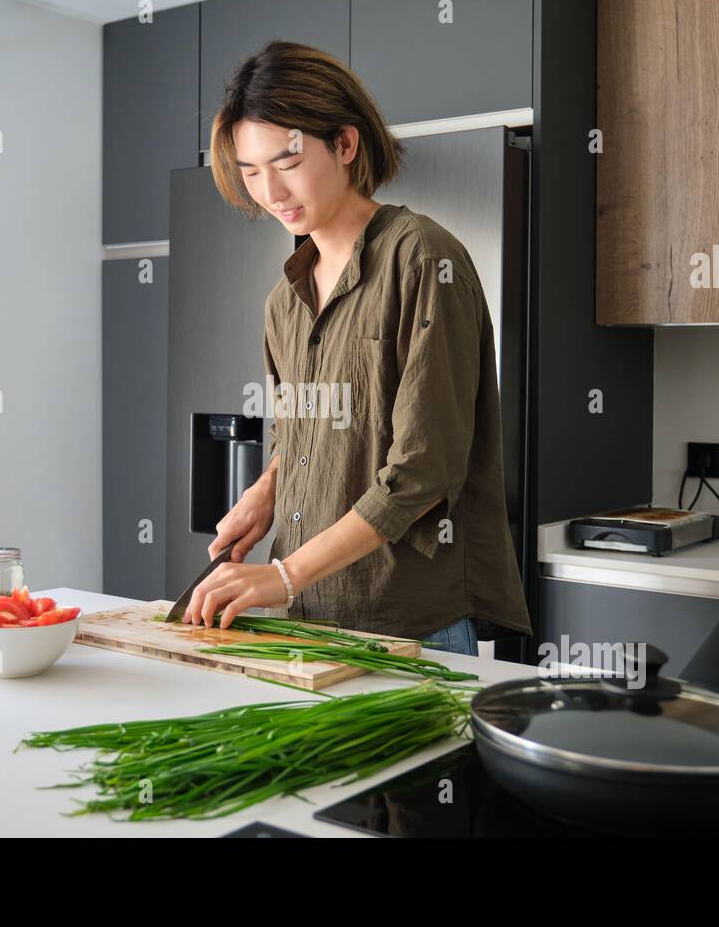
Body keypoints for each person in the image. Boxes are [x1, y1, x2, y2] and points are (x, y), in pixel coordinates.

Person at [177, 41, 530, 656]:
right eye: (251, 170)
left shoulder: (423, 259)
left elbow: (424, 472)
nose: (269, 191)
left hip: (409, 627)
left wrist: (281, 574)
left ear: (345, 144)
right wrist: (268, 488)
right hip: (309, 620)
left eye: (285, 162)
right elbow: (305, 429)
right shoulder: (284, 301)